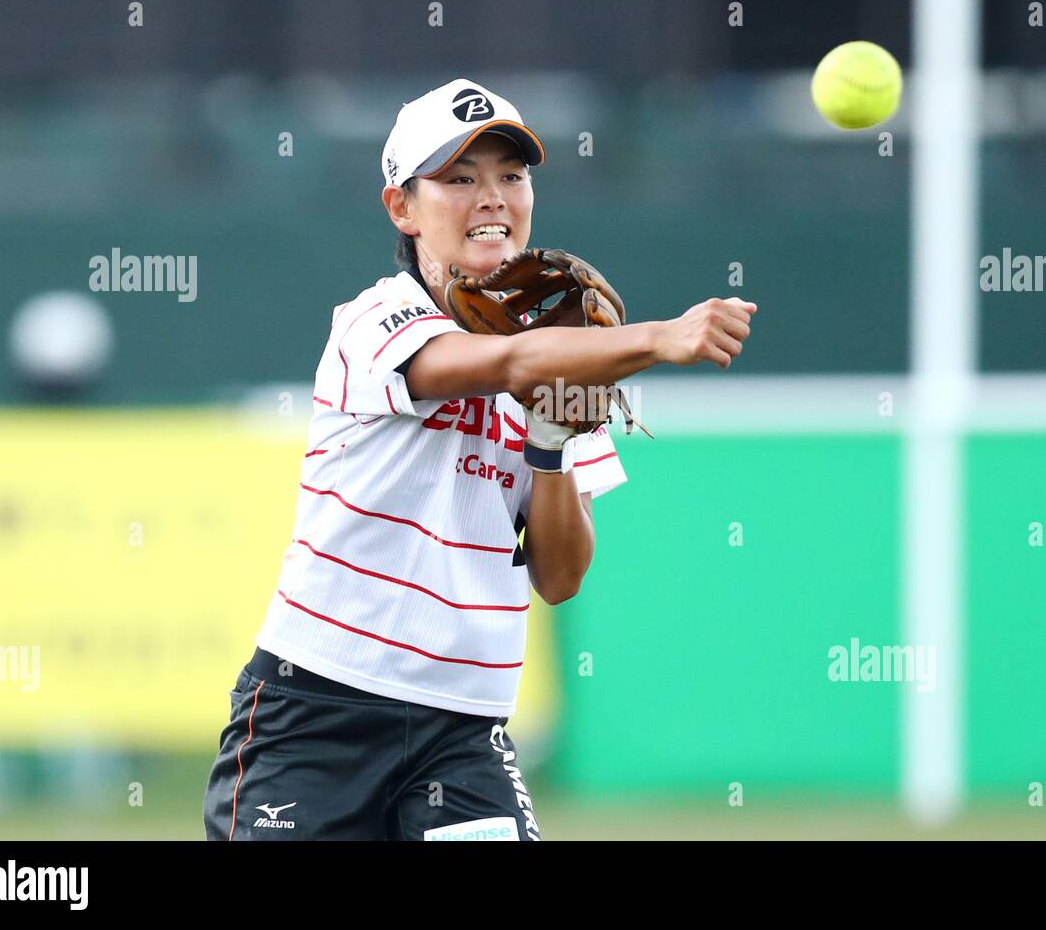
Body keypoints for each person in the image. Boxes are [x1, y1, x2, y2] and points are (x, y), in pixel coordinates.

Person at [203, 78, 756, 841]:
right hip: (317, 713)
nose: (492, 197)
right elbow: (503, 363)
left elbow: (560, 578)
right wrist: (658, 339)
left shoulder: (568, 349)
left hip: (462, 732)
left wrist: (553, 444)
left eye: (511, 175)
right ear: (401, 206)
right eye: (459, 179)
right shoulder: (377, 319)